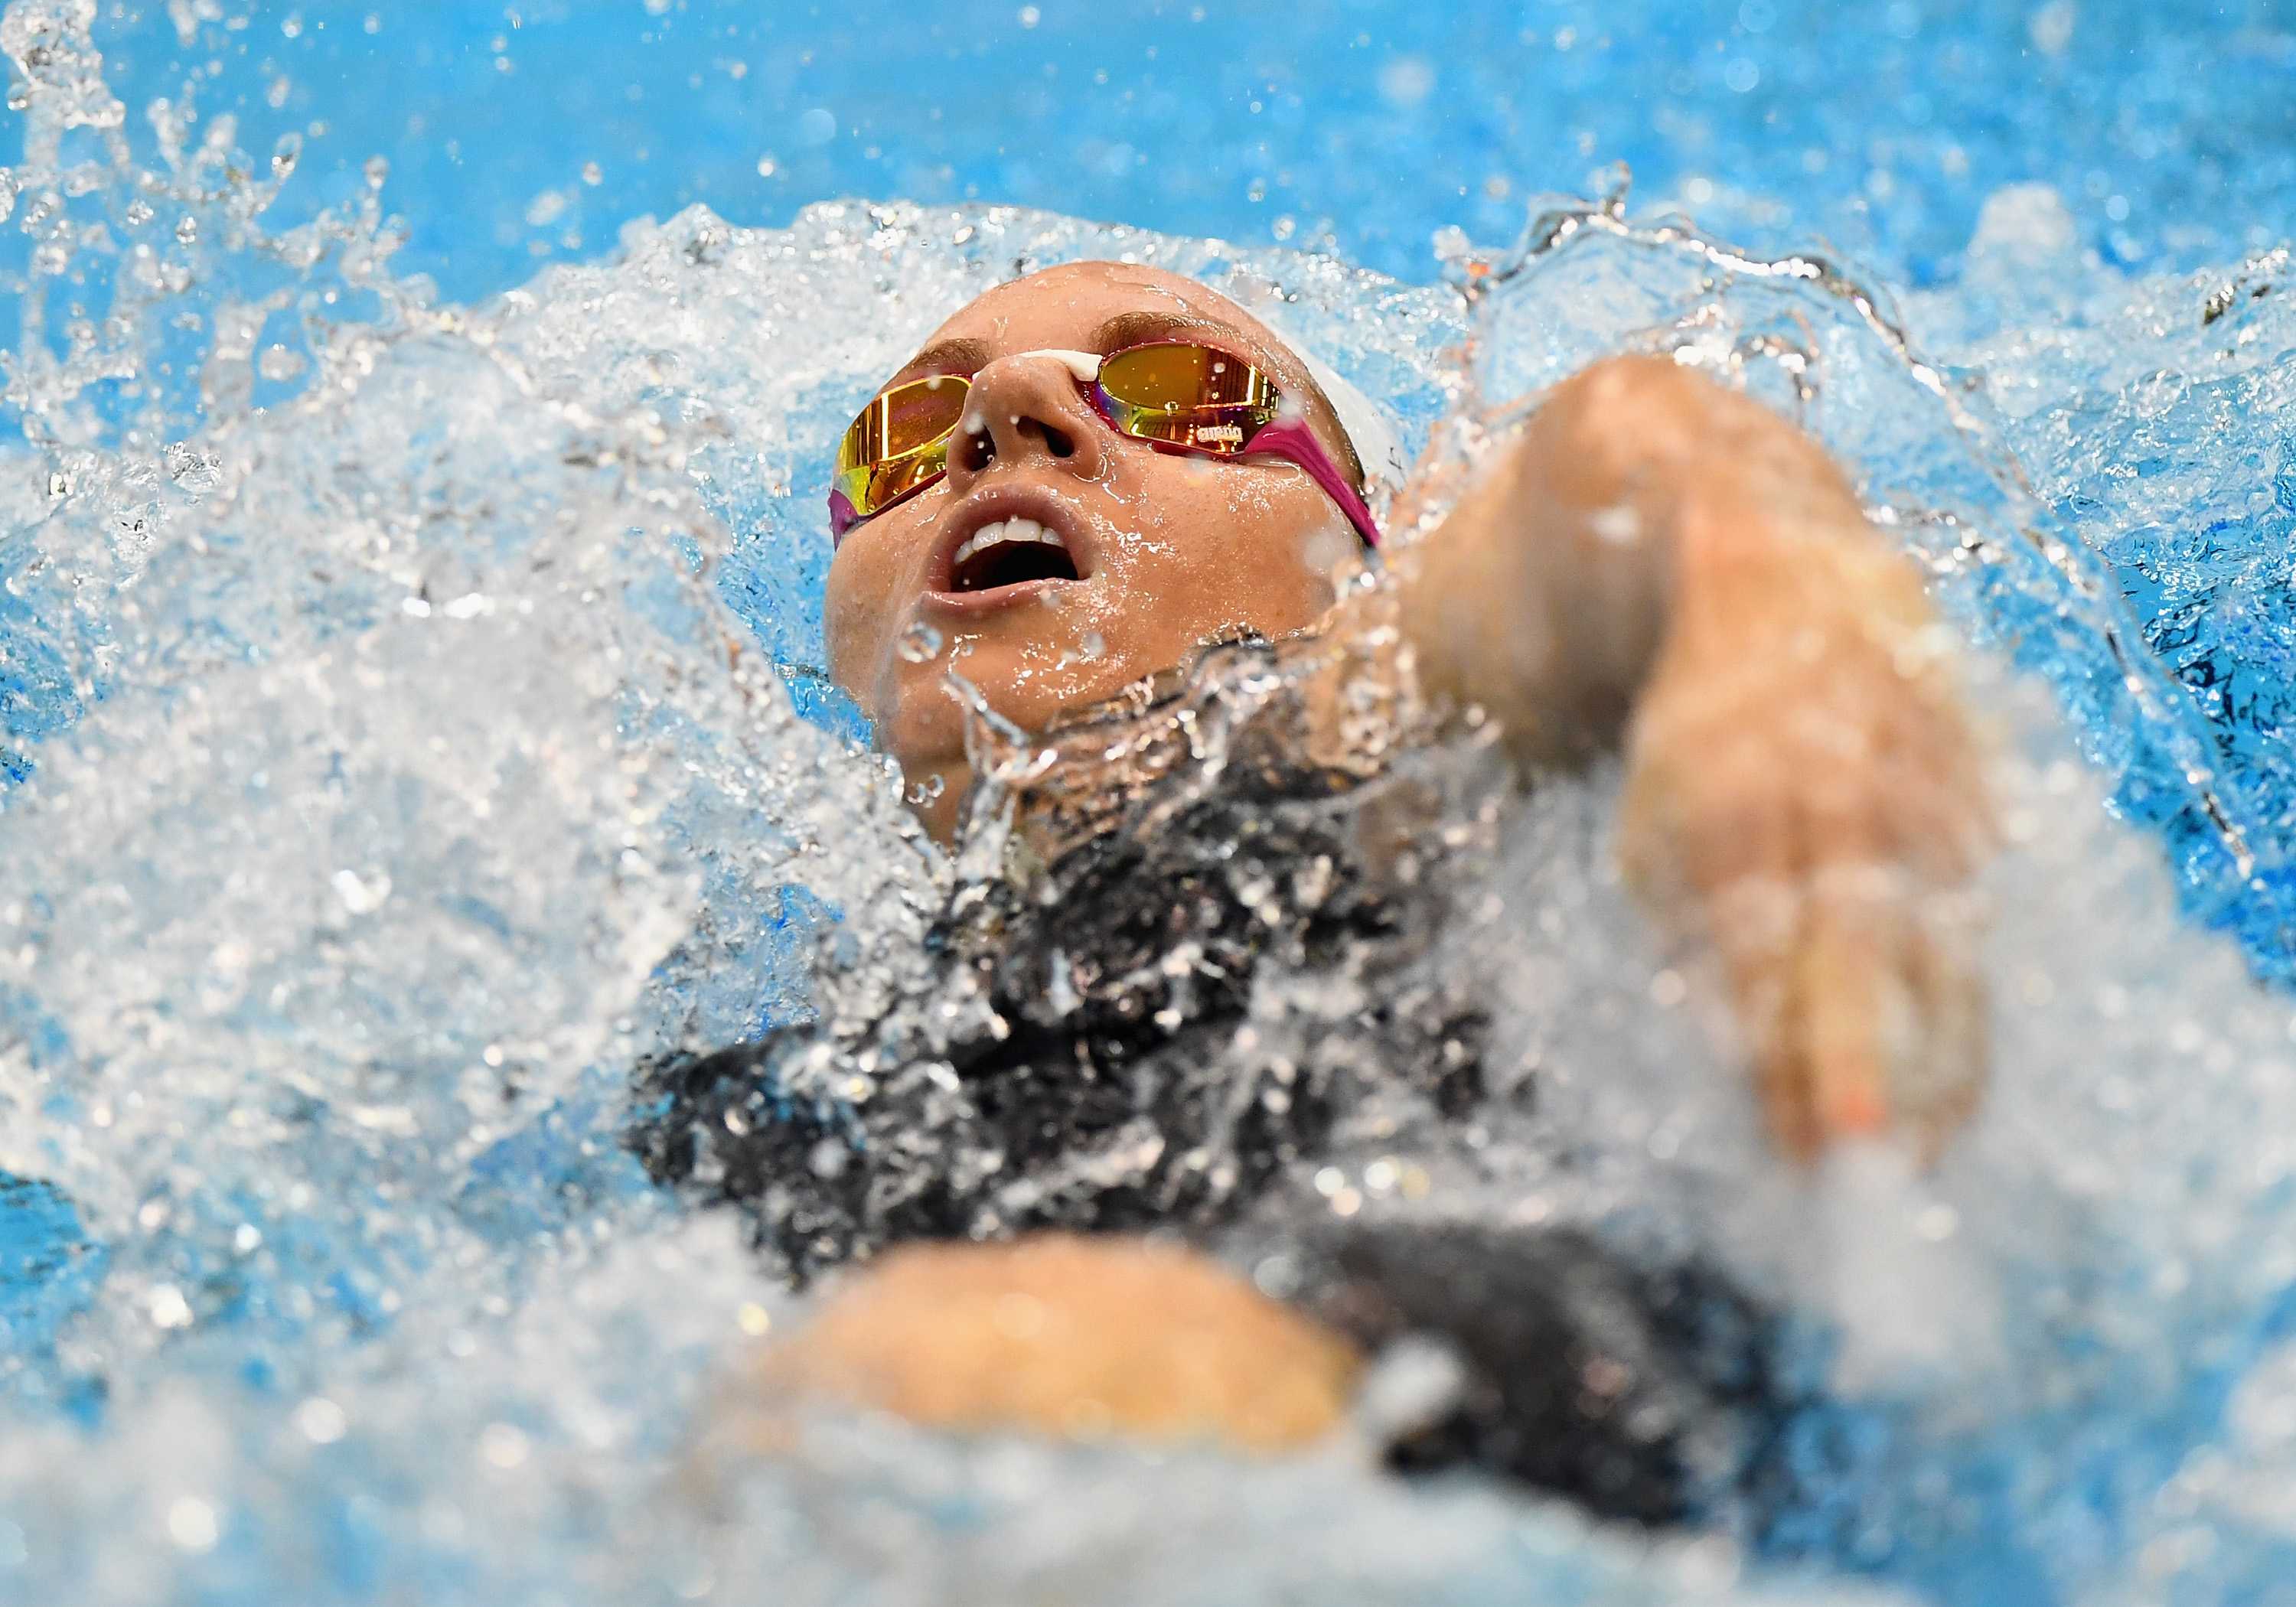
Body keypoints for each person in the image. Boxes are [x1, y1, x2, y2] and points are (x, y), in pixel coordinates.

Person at [637, 259, 1991, 1521]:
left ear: (1355, 565)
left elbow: (1614, 477)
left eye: (1186, 393)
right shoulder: (757, 1050)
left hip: (1478, 1368)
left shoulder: (1365, 752)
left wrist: (1762, 598)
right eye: (907, 430)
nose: (1000, 411)